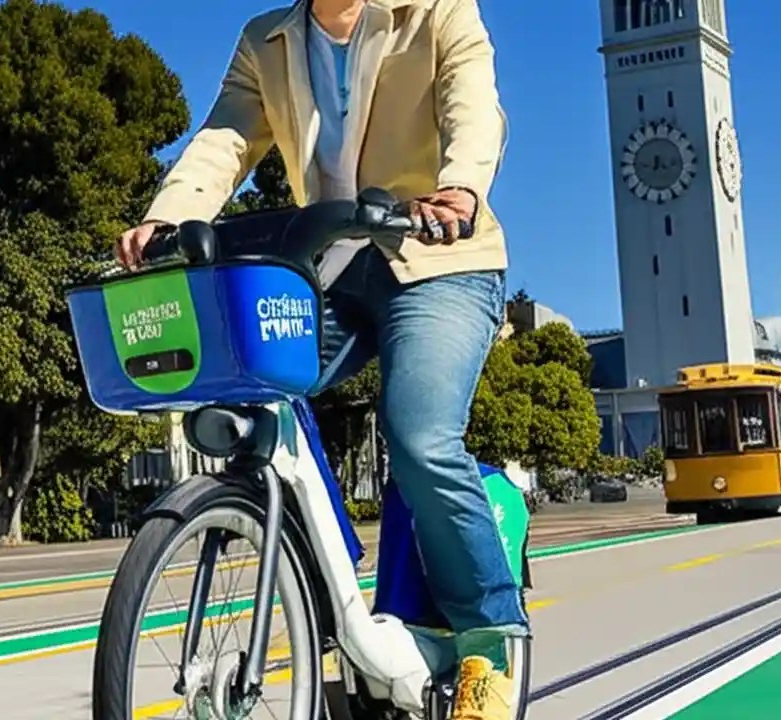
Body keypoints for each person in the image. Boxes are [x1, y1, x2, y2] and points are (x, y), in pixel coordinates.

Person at [115, 0, 526, 716]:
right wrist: (167, 215)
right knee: (253, 393)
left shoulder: (436, 11)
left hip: (438, 257)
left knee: (420, 434)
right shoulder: (266, 41)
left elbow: (474, 105)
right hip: (330, 267)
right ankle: (330, 598)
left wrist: (460, 185)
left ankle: (487, 645)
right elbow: (224, 140)